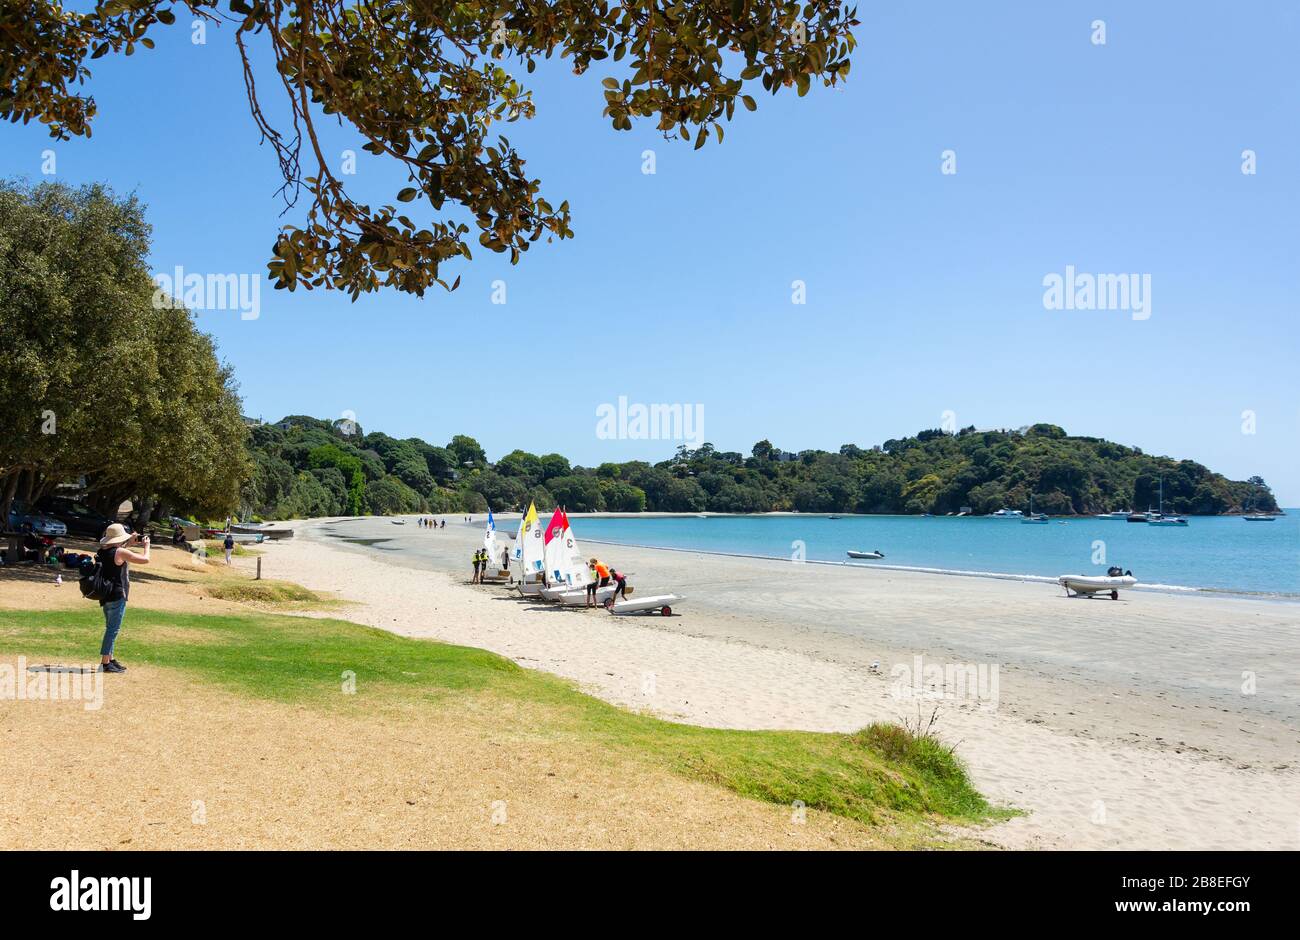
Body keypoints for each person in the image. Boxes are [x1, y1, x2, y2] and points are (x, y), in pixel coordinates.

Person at [96, 523, 150, 674]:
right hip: (117, 595)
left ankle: (110, 659)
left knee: (110, 628)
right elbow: (145, 559)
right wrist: (147, 546)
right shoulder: (120, 552)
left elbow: (117, 552)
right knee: (113, 630)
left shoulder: (103, 551)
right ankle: (105, 662)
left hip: (105, 595)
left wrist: (129, 543)